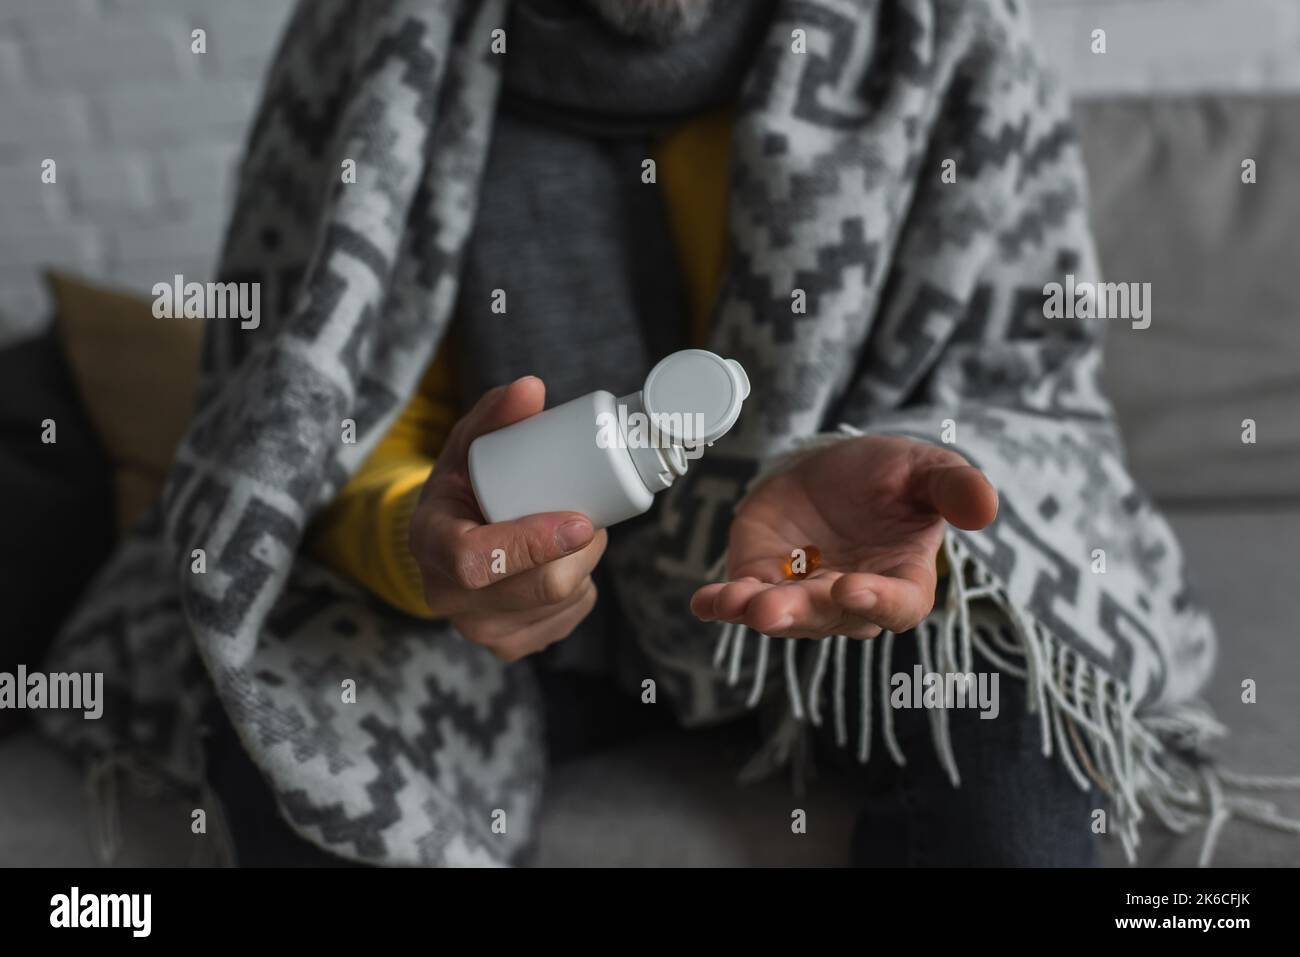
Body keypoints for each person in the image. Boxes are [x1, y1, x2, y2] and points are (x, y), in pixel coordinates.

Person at [43, 0, 1217, 868]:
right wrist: (423, 543)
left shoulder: (950, 41)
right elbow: (310, 423)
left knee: (1017, 810)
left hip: (834, 588)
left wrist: (893, 465)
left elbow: (1026, 384)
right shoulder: (369, 41)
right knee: (292, 764)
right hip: (502, 624)